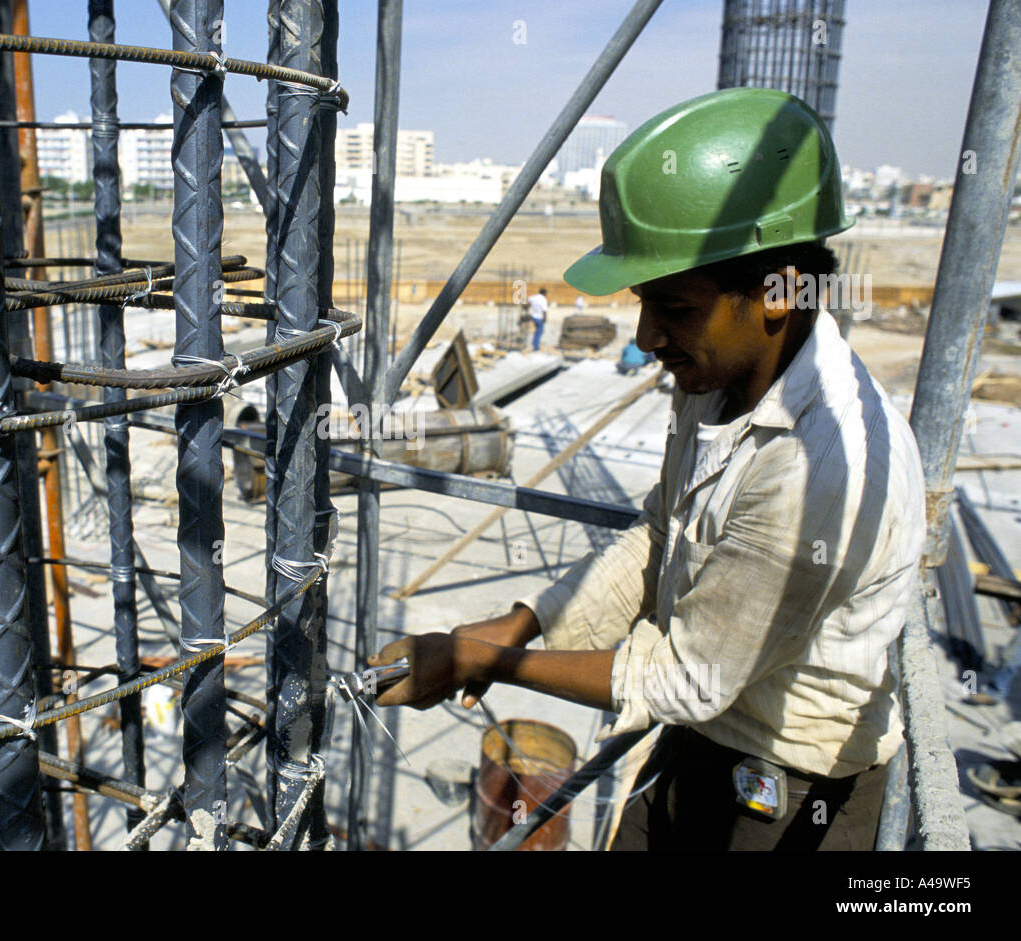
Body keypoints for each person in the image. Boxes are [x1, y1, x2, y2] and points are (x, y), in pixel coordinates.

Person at [371, 87, 925, 851]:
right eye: (643, 302)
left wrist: (490, 659)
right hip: (700, 741)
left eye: (676, 307)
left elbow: (687, 677)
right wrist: (519, 623)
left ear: (776, 293)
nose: (646, 335)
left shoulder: (819, 465)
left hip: (789, 799)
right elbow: (658, 534)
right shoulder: (718, 382)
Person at [527, 286, 548, 351]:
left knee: (536, 332)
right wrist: (545, 318)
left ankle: (533, 344)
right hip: (540, 318)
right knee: (539, 332)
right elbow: (544, 310)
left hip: (533, 317)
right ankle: (535, 347)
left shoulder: (534, 297)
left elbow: (528, 299)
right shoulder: (543, 299)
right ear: (544, 293)